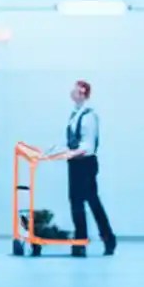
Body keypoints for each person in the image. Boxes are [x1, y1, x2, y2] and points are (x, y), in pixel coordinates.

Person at [54, 80, 116, 257]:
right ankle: (85, 241)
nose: (71, 92)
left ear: (82, 92)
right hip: (76, 163)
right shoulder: (76, 113)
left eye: (74, 89)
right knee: (79, 201)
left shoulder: (88, 115)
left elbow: (88, 145)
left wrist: (71, 154)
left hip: (85, 164)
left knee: (88, 201)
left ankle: (97, 240)